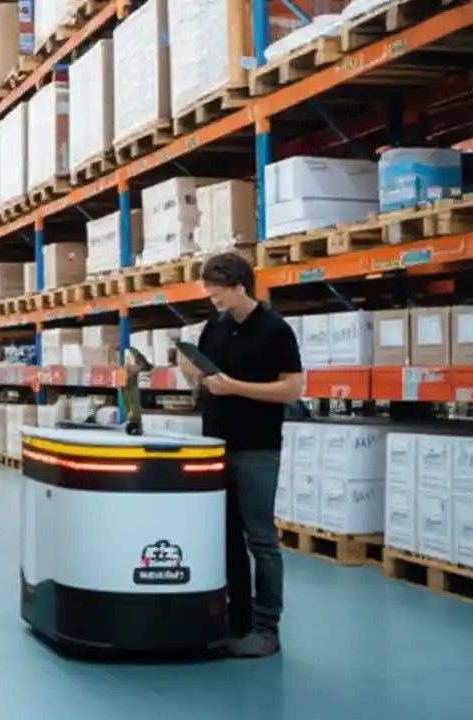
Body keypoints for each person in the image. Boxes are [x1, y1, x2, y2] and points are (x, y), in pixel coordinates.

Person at [178, 252, 303, 658]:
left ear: (239, 287)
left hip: (256, 448)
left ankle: (268, 628)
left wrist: (237, 388)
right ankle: (237, 618)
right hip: (215, 445)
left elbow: (291, 390)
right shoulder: (214, 329)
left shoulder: (275, 330)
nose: (212, 300)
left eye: (217, 294)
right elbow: (207, 383)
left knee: (261, 539)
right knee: (227, 537)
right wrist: (192, 372)